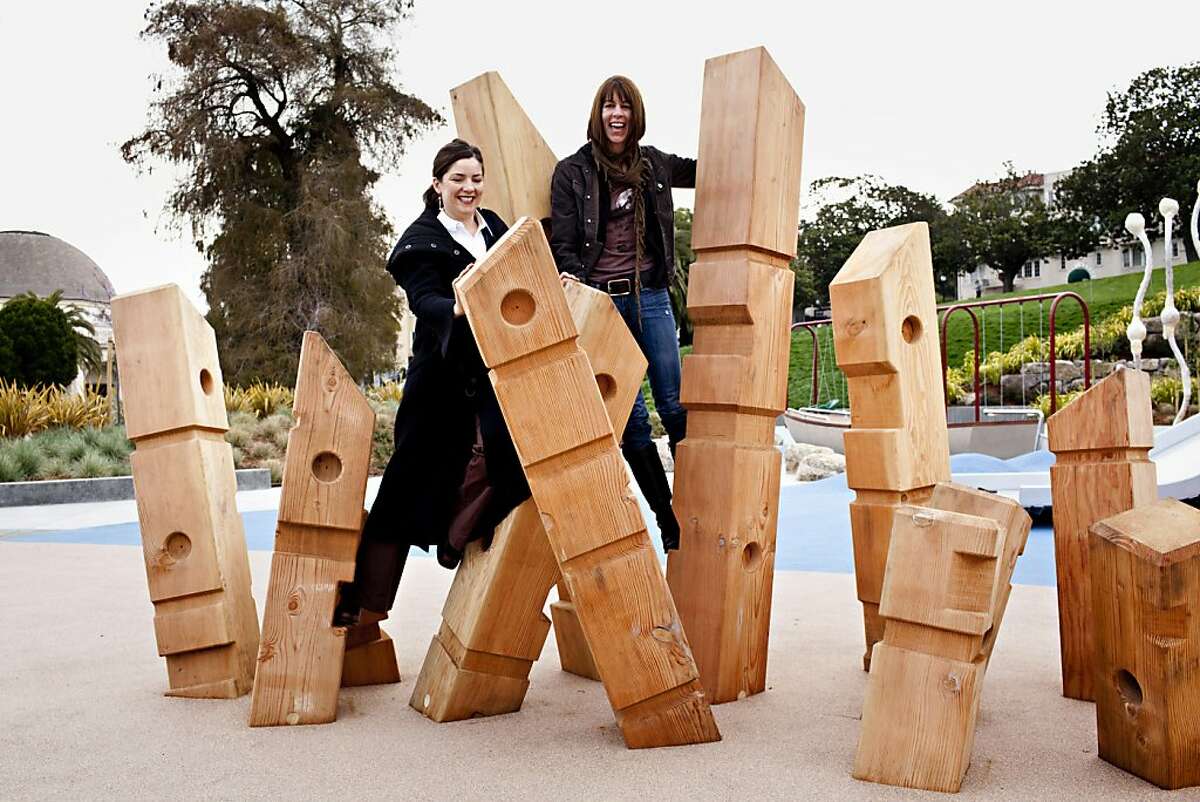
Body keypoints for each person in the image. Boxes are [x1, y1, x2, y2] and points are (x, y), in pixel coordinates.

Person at [335, 139, 529, 626]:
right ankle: (363, 605)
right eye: (458, 178)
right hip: (438, 381)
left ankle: (454, 537)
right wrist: (456, 306)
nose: (469, 187)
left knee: (510, 463)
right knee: (403, 486)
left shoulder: (497, 231)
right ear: (438, 184)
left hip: (488, 377)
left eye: (475, 178)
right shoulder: (421, 240)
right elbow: (424, 300)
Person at [549, 75, 695, 552]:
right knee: (631, 422)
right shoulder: (573, 172)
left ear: (635, 115)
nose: (617, 115)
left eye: (625, 107)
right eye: (610, 106)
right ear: (598, 113)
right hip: (601, 303)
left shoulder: (654, 164)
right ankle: (666, 515)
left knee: (673, 405)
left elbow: (705, 169)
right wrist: (572, 278)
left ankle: (695, 504)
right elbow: (564, 242)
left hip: (650, 294)